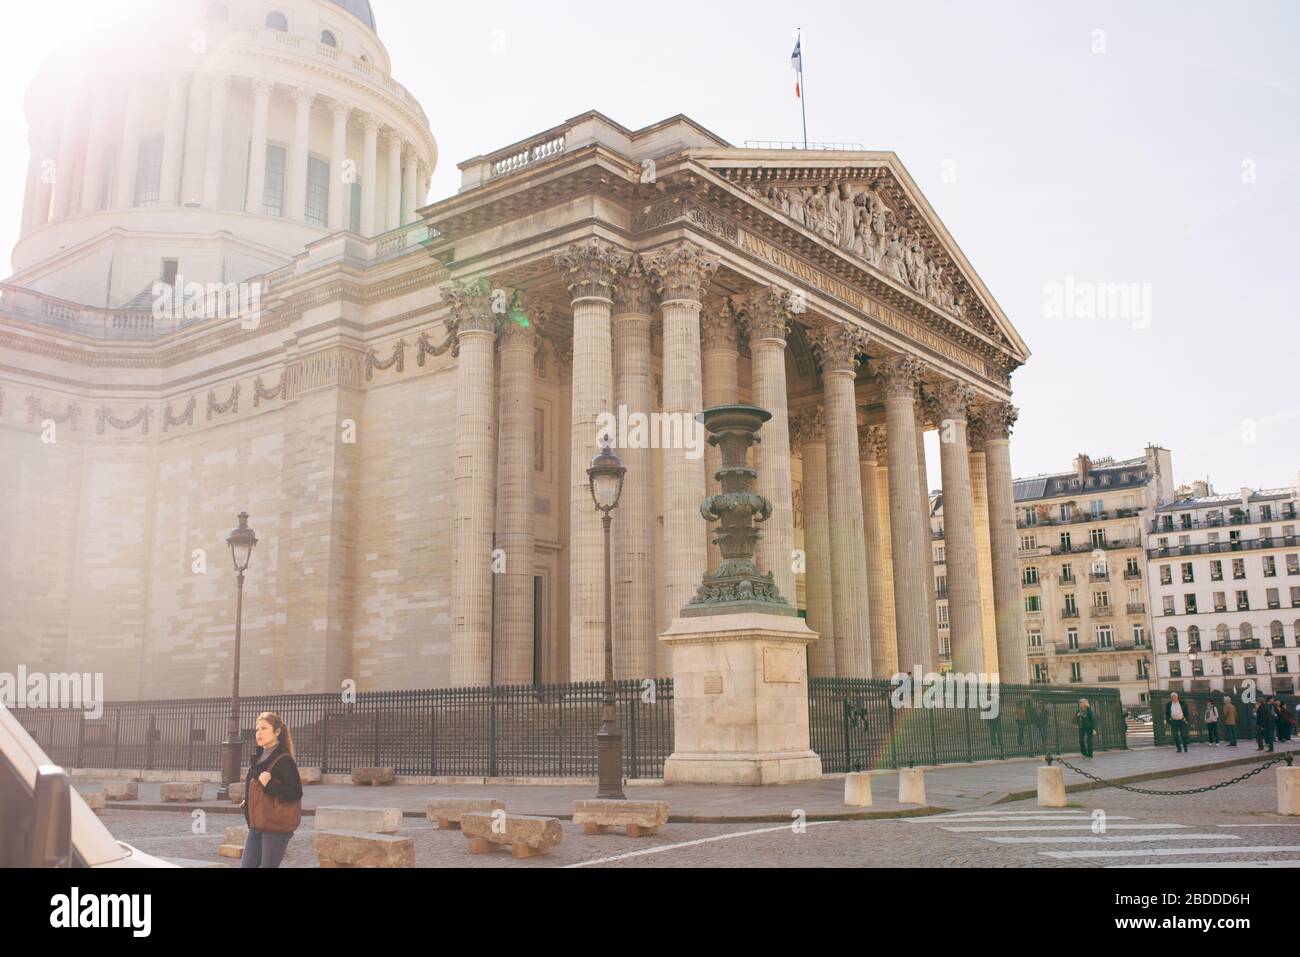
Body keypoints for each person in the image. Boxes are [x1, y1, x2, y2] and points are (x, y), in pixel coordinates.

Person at [240, 711, 303, 869]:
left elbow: (295, 792)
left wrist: (269, 785)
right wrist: (248, 800)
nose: (259, 733)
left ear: (277, 732)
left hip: (275, 826)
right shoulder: (259, 756)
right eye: (257, 729)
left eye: (264, 728)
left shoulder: (283, 760)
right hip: (257, 824)